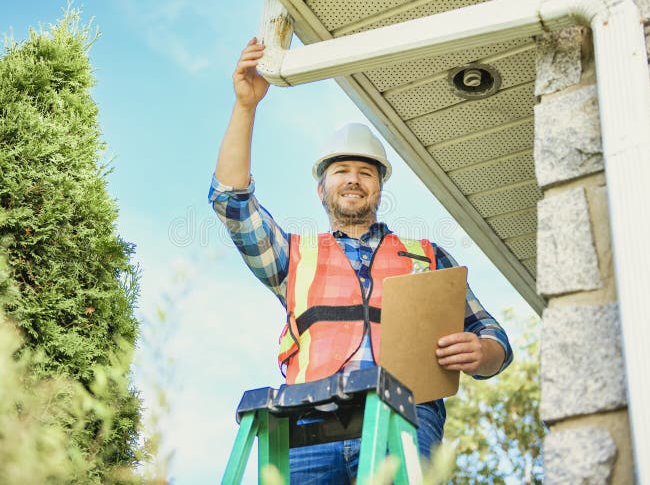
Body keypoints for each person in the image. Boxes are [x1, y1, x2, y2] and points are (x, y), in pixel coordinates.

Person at [210, 38, 513, 483]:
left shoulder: (427, 256)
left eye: (365, 172)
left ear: (379, 188)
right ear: (322, 188)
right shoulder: (294, 256)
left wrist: (483, 351)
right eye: (342, 171)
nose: (353, 179)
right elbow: (231, 202)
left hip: (405, 422)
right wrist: (245, 106)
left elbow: (494, 339)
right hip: (309, 427)